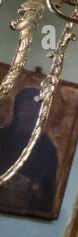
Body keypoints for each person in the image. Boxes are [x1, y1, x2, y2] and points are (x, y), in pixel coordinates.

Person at [0, 87, 60, 216]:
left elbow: (48, 193)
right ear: (17, 110)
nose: (29, 114)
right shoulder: (2, 137)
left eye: (35, 110)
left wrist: (31, 188)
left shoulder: (47, 148)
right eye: (25, 108)